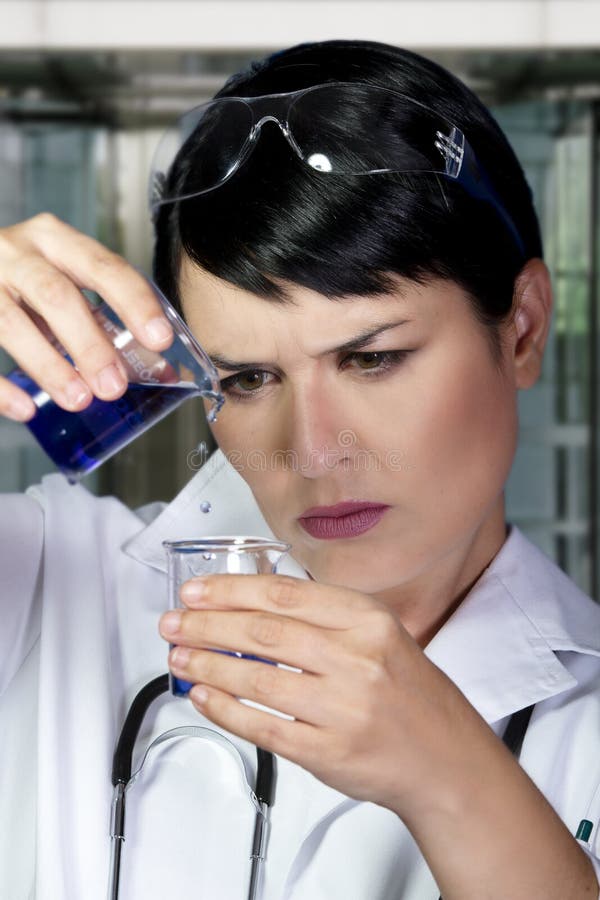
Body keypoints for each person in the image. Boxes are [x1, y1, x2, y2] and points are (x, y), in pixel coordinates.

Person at [0, 37, 599, 900]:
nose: (313, 452)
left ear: (525, 328)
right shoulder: (53, 580)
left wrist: (457, 783)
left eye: (371, 359)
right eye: (247, 379)